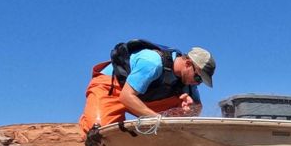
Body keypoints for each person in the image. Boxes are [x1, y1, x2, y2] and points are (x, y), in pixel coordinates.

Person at [79, 40, 216, 134]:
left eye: (201, 81)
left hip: (141, 95)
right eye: (198, 77)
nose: (198, 83)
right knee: (98, 132)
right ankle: (90, 117)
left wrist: (189, 110)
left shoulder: (186, 81)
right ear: (187, 64)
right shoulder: (152, 62)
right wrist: (159, 121)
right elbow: (126, 97)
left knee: (187, 106)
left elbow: (197, 108)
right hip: (112, 87)